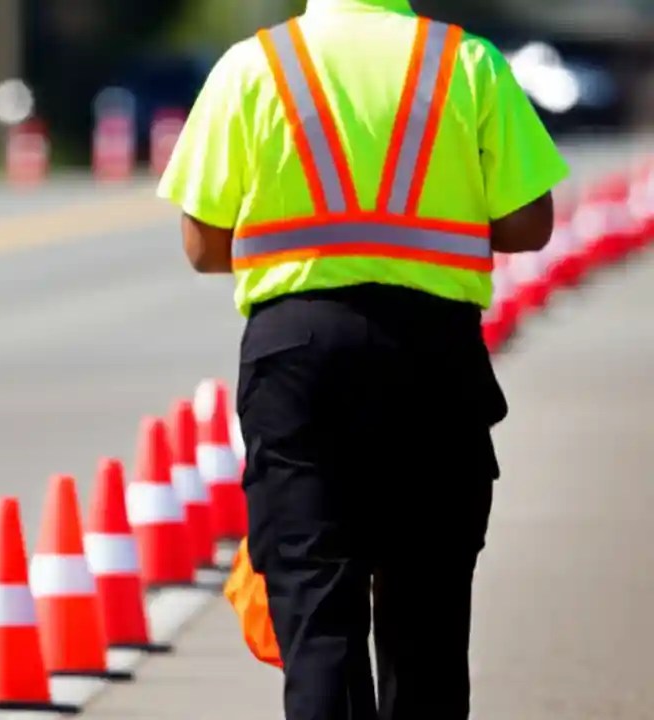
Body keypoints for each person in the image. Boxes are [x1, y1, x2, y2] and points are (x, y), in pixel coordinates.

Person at [156, 1, 569, 718]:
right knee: (427, 621)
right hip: (434, 357)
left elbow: (202, 244)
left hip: (298, 355)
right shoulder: (464, 62)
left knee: (318, 614)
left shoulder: (255, 66)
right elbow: (531, 223)